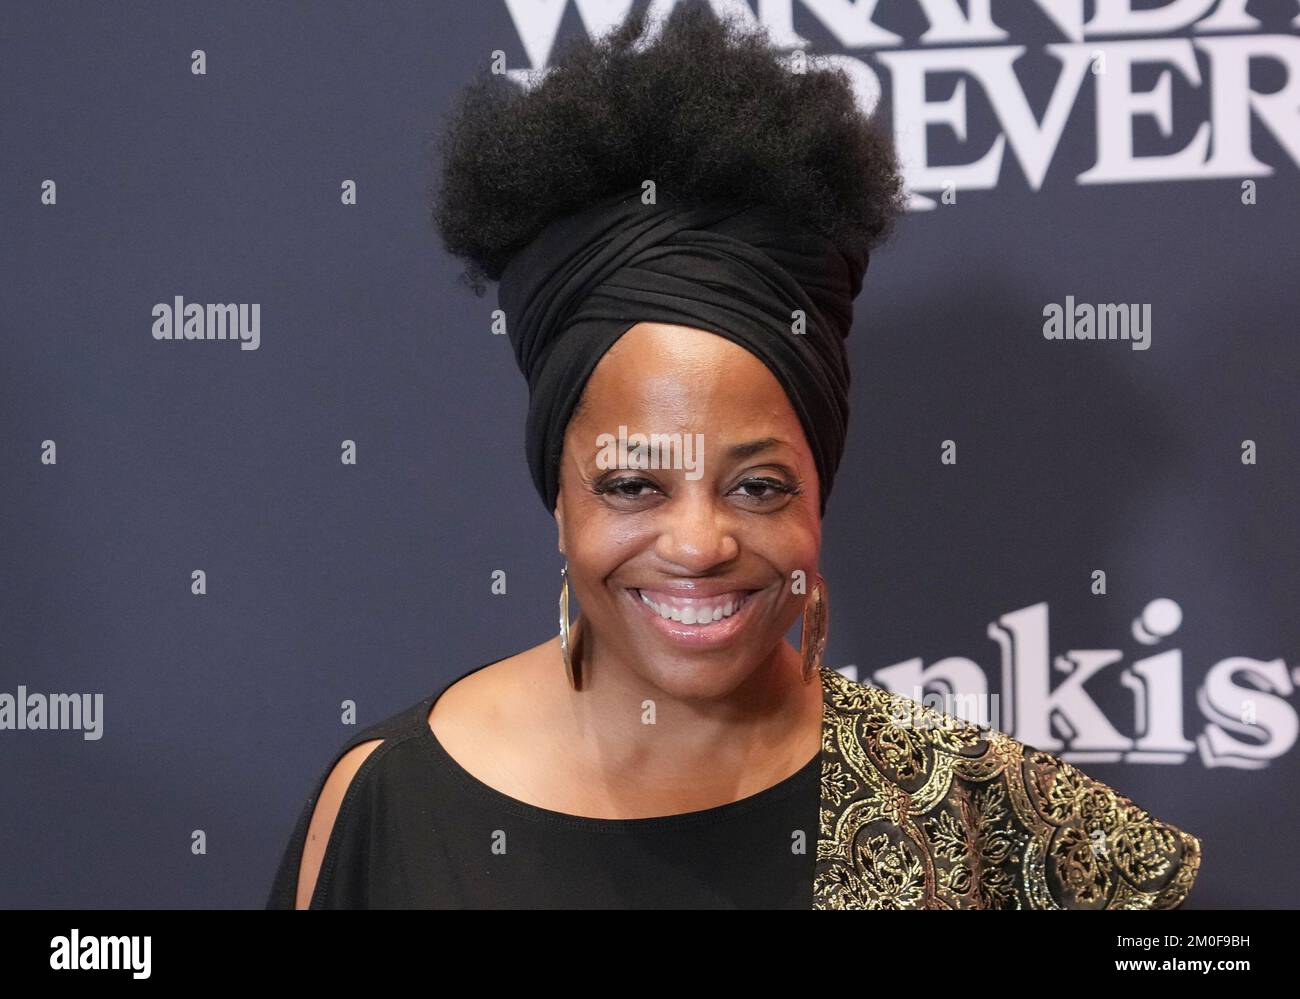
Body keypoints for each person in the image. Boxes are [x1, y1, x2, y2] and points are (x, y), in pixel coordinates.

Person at [265, 1, 1201, 910]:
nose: (700, 542)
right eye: (634, 483)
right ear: (559, 492)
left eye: (757, 485)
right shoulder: (391, 811)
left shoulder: (984, 820)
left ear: (817, 494)